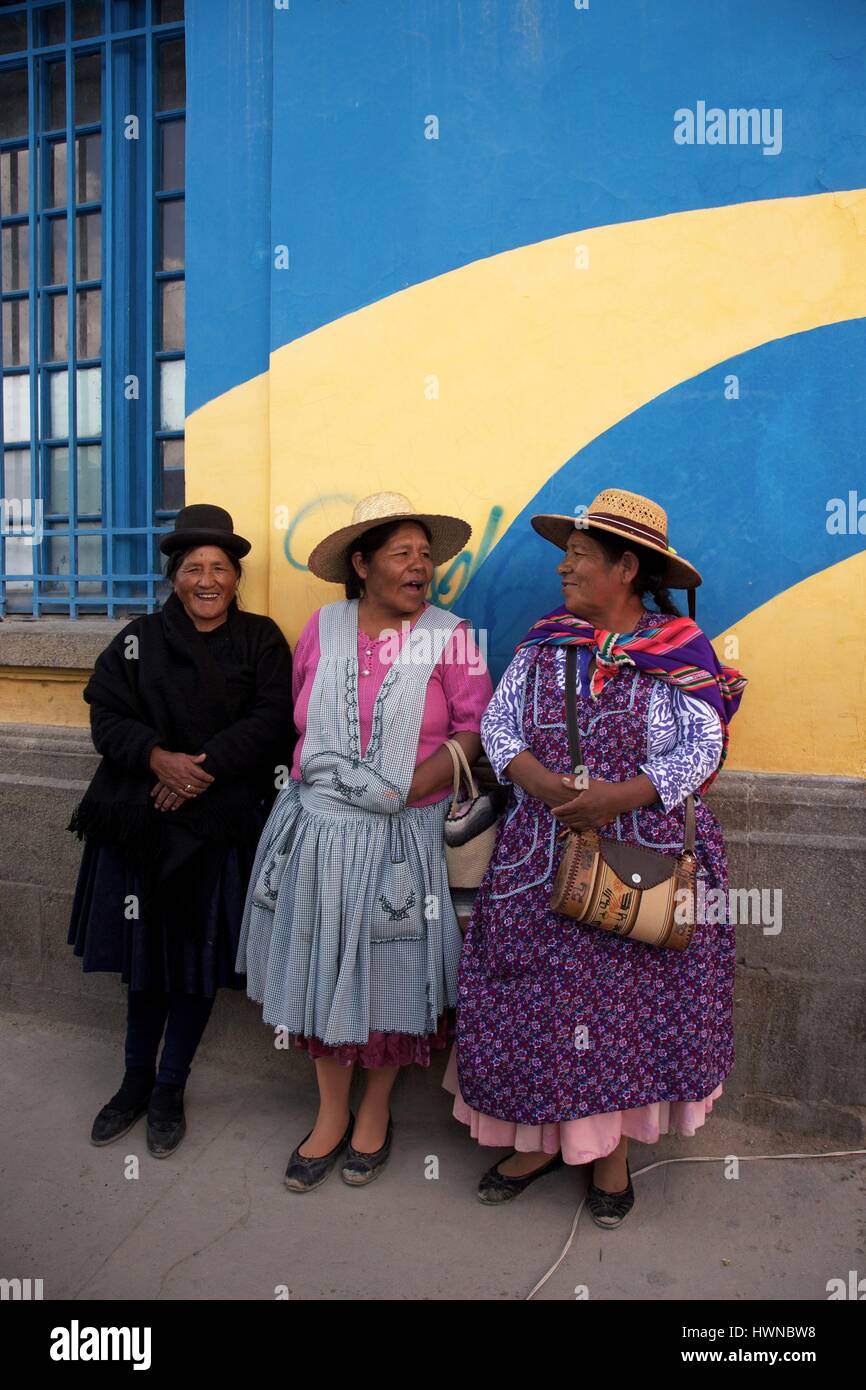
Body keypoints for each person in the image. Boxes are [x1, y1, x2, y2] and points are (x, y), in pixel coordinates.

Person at [444, 488, 747, 1224]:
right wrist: (540, 783)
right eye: (567, 557)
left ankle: (606, 1156)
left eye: (579, 557)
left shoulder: (677, 653)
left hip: (639, 859)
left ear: (626, 566)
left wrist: (623, 795)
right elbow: (501, 725)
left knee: (623, 1012)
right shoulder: (545, 645)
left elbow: (705, 746)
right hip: (539, 855)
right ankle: (540, 1141)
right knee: (535, 1001)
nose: (565, 571)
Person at [237, 492, 492, 1190]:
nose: (420, 567)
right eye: (402, 554)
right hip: (319, 833)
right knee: (322, 971)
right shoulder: (323, 628)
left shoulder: (453, 636)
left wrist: (413, 785)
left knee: (390, 979)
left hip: (402, 838)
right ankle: (328, 1115)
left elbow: (476, 728)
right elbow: (303, 718)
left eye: (426, 556)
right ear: (362, 563)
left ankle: (374, 1113)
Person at [67, 504, 294, 1157]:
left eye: (220, 567)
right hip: (143, 822)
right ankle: (133, 1081)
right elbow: (105, 715)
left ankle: (170, 1087)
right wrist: (154, 757)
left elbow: (274, 718)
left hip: (217, 827)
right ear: (174, 576)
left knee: (194, 967)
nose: (207, 579)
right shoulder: (137, 640)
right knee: (146, 967)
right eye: (194, 567)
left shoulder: (261, 639)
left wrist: (203, 768)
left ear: (235, 577)